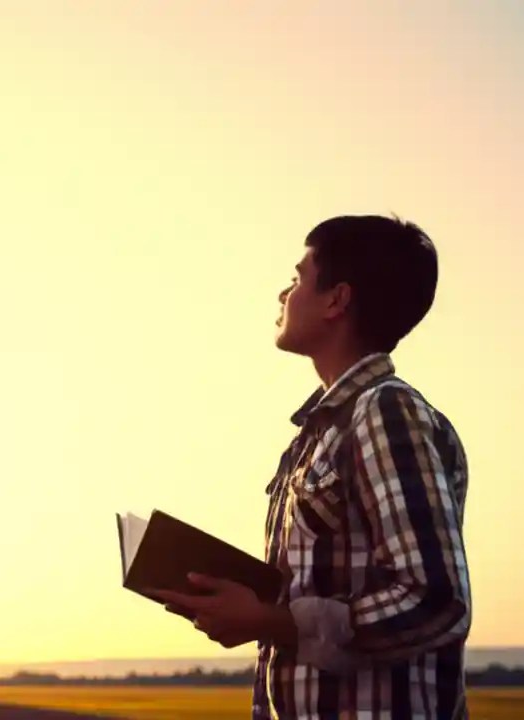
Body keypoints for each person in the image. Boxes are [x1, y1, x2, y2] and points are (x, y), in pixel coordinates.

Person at [151, 215, 471, 719]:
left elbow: (436, 602)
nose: (283, 293)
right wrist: (245, 608)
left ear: (336, 300)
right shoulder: (320, 431)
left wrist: (270, 622)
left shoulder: (385, 411)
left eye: (298, 278)